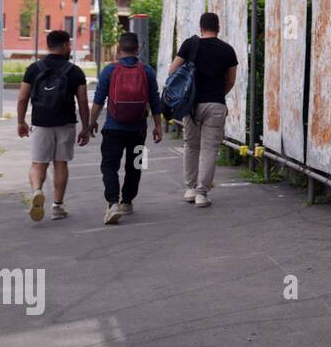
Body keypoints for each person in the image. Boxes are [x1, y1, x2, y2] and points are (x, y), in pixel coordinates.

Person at [89, 31, 164, 224]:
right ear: (137, 49)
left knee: (109, 166)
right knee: (137, 165)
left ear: (119, 49)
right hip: (139, 129)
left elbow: (98, 100)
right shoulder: (147, 71)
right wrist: (158, 126)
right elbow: (155, 101)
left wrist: (90, 123)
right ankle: (128, 201)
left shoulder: (109, 70)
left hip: (112, 127)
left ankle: (113, 203)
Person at [17, 29, 90, 221]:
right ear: (66, 45)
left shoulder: (34, 68)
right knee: (60, 164)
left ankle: (36, 191)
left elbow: (22, 98)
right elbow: (83, 101)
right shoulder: (75, 71)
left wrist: (20, 121)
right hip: (65, 123)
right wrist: (86, 127)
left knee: (38, 163)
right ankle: (57, 206)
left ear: (48, 45)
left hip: (41, 122)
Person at [168, 12, 237, 207]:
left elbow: (172, 71)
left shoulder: (190, 45)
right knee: (209, 149)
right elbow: (231, 80)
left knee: (191, 145)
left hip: (191, 104)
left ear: (201, 27)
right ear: (218, 28)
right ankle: (201, 193)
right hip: (215, 103)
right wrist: (218, 94)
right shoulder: (228, 50)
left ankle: (189, 189)